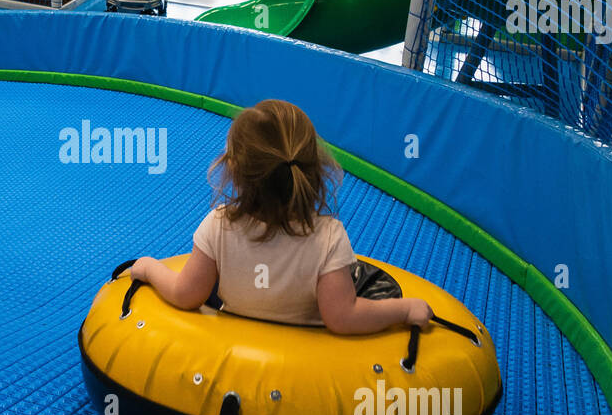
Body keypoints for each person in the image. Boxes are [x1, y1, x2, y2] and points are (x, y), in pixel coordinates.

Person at [125, 99, 433, 334]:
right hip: (303, 369)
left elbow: (186, 294)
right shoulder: (329, 237)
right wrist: (404, 309)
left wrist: (151, 268)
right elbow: (342, 316)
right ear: (313, 169)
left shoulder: (218, 225)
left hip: (232, 346)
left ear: (234, 170)